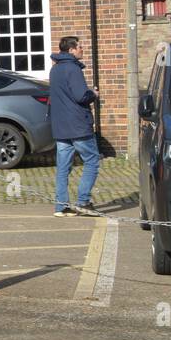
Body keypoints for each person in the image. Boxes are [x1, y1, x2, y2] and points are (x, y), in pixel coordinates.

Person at [48, 35, 100, 216]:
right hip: (78, 125)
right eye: (80, 47)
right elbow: (80, 96)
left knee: (63, 167)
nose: (82, 49)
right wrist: (93, 94)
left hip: (60, 127)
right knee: (92, 161)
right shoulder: (73, 69)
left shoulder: (54, 70)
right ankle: (83, 202)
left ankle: (61, 207)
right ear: (71, 50)